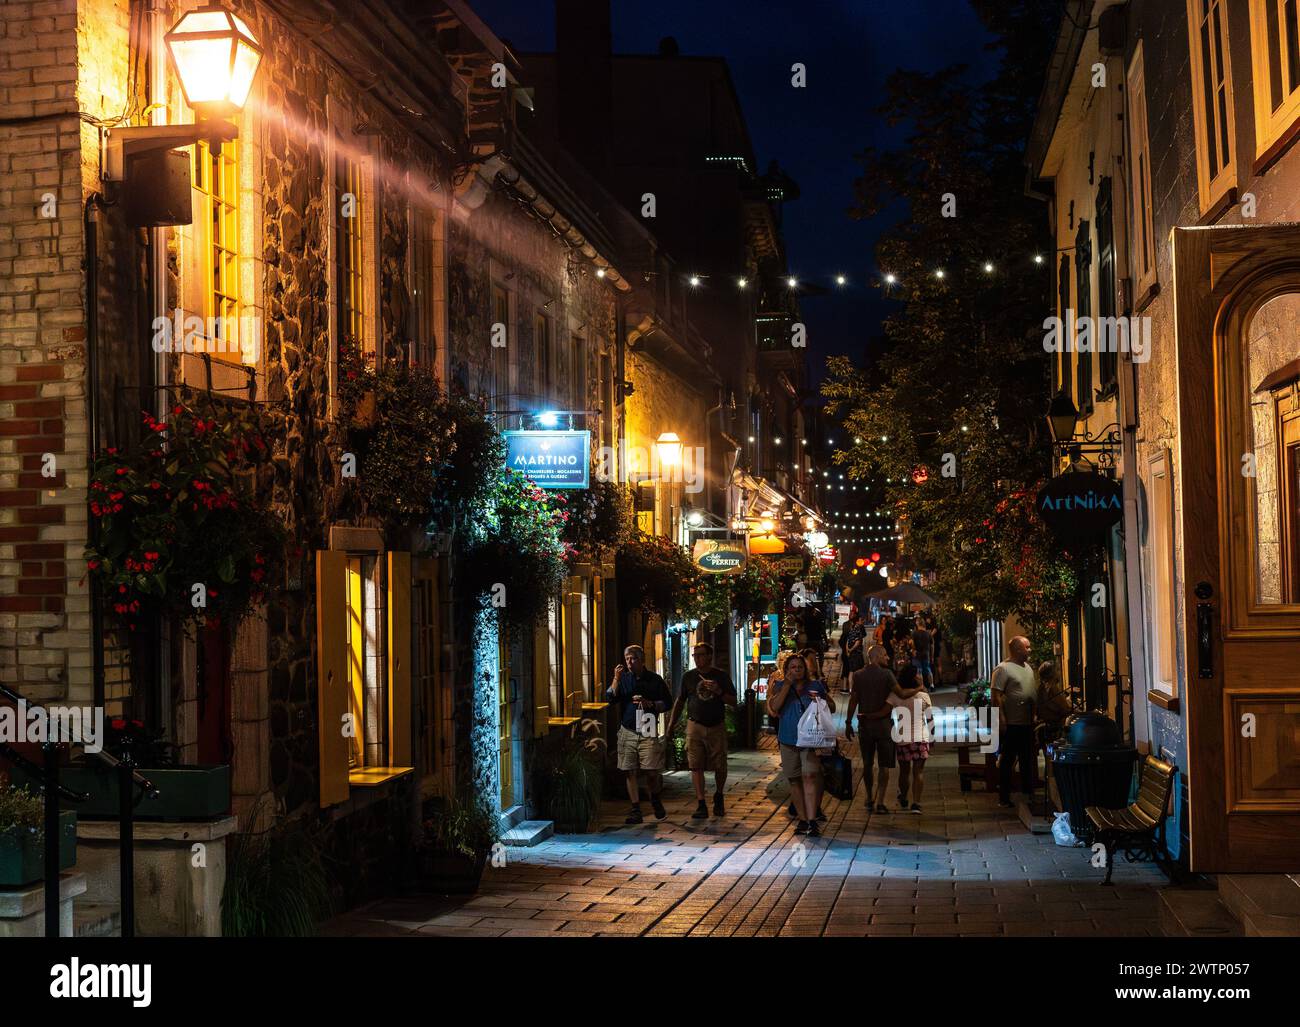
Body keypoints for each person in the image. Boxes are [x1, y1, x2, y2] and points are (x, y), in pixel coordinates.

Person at [845, 644, 923, 813]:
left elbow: (853, 700)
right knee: (884, 765)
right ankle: (880, 801)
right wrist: (919, 688)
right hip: (884, 726)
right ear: (877, 656)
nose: (887, 658)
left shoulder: (858, 675)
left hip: (865, 726)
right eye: (885, 655)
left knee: (867, 763)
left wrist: (848, 722)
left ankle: (868, 797)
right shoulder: (887, 675)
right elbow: (901, 694)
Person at [666, 641, 737, 819]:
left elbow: (733, 701)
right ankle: (701, 803)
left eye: (700, 655)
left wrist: (718, 691)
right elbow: (680, 700)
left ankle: (719, 795)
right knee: (695, 765)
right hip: (694, 725)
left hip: (716, 725)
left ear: (709, 656)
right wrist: (671, 724)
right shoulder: (688, 677)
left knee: (720, 765)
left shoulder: (720, 676)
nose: (697, 658)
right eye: (695, 655)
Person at [767, 652, 835, 837]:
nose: (797, 671)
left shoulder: (815, 686)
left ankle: (812, 820)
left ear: (805, 669)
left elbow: (832, 707)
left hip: (810, 740)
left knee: (810, 777)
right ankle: (803, 820)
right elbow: (775, 708)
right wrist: (786, 686)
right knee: (794, 779)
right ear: (786, 670)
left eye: (800, 667)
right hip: (788, 738)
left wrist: (821, 699)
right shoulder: (780, 686)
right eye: (793, 668)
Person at [607, 644, 674, 824]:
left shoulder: (655, 680)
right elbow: (610, 698)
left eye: (633, 658)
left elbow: (667, 702)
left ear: (641, 660)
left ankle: (654, 797)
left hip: (648, 725)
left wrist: (650, 703)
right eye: (627, 659)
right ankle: (635, 809)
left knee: (651, 771)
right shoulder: (623, 679)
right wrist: (615, 678)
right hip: (628, 728)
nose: (629, 662)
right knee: (629, 770)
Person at [992, 636, 1039, 809]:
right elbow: (995, 696)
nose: (1030, 650)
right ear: (1017, 649)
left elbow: (1031, 693)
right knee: (1008, 760)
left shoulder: (1028, 668)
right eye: (1027, 647)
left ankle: (1028, 793)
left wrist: (1034, 714)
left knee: (1027, 759)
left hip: (1026, 722)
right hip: (1012, 723)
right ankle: (1004, 796)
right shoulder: (1003, 669)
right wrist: (1002, 720)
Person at [889, 664, 933, 814]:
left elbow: (887, 714)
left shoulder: (895, 696)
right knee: (918, 771)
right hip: (920, 737)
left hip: (903, 739)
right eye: (919, 674)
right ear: (915, 677)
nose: (921, 676)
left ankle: (904, 797)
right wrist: (932, 737)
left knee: (904, 771)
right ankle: (916, 803)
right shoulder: (923, 696)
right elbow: (930, 719)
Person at [911, 617, 935, 692]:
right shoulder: (928, 634)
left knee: (919, 671)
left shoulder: (914, 633)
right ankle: (932, 685)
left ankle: (922, 687)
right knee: (928, 670)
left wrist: (913, 650)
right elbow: (932, 645)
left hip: (917, 654)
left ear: (917, 623)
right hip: (926, 654)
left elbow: (912, 643)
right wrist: (932, 656)